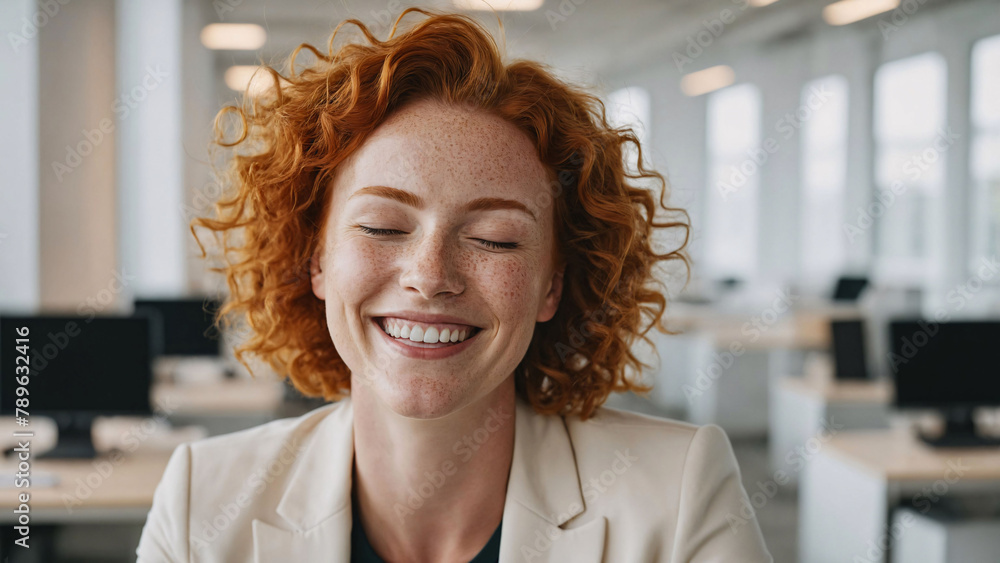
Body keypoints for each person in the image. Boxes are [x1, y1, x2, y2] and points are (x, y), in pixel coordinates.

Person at [136, 7, 772, 562]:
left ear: (552, 286)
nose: (431, 276)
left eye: (495, 238)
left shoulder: (680, 492)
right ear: (317, 261)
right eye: (383, 226)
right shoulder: (202, 500)